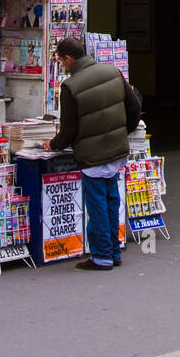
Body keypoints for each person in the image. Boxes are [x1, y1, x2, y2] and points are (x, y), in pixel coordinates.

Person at [42, 37, 141, 270]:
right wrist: (123, 131)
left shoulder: (70, 86)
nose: (62, 65)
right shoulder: (112, 71)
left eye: (61, 60)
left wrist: (52, 144)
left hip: (93, 156)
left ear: (69, 58)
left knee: (96, 204)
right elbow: (134, 106)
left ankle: (102, 256)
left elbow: (68, 130)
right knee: (111, 201)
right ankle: (114, 252)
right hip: (116, 151)